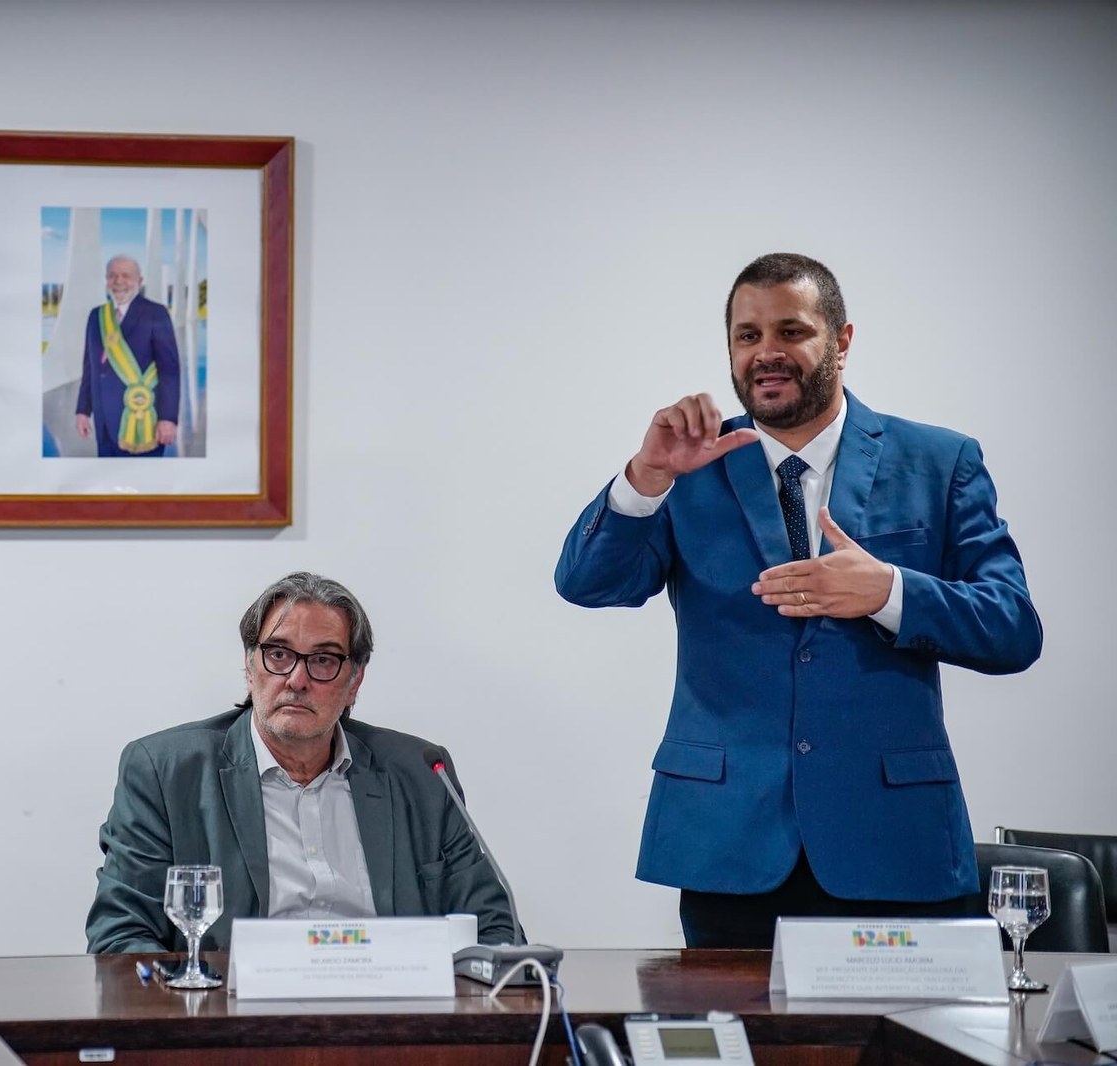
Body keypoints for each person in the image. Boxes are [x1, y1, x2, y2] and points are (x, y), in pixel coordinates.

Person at [554, 253, 1042, 949]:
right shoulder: (689, 465)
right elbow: (587, 583)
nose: (767, 354)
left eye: (791, 331)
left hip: (894, 843)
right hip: (730, 844)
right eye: (747, 336)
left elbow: (1014, 629)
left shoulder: (940, 461)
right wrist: (646, 476)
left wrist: (890, 592)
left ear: (841, 342)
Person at [85, 571, 518, 953]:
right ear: (249, 667)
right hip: (235, 1022)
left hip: (392, 1019)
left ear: (355, 682)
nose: (296, 679)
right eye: (278, 654)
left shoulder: (420, 773)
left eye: (324, 660)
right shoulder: (165, 772)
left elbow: (496, 928)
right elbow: (120, 935)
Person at [74, 255, 181, 457]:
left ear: (139, 282)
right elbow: (90, 368)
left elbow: (170, 371)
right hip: (103, 420)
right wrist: (82, 410)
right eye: (112, 276)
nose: (118, 281)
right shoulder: (96, 316)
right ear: (106, 281)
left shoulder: (156, 313)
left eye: (126, 276)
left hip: (143, 419)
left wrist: (168, 418)